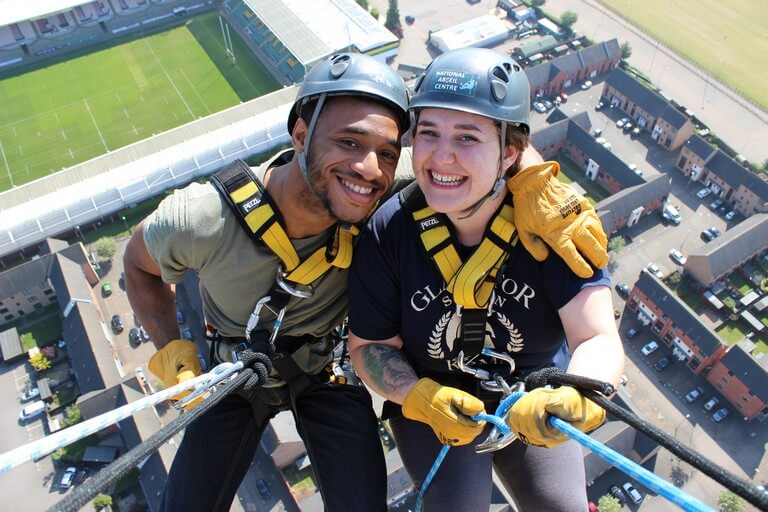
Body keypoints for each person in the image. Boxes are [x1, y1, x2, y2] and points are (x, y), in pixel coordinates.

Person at [124, 52, 609, 511]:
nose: (369, 169)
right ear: (299, 134)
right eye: (349, 143)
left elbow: (479, 146)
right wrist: (170, 350)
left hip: (328, 370)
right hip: (236, 366)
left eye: (385, 151)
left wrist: (538, 183)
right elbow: (138, 263)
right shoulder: (207, 217)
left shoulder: (427, 199)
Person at [347, 48, 624, 512]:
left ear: (510, 152)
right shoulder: (389, 230)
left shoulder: (551, 225)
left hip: (533, 395)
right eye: (429, 133)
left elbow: (597, 335)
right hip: (432, 396)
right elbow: (368, 347)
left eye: (468, 137)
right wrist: (417, 396)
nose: (441, 156)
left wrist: (580, 393)